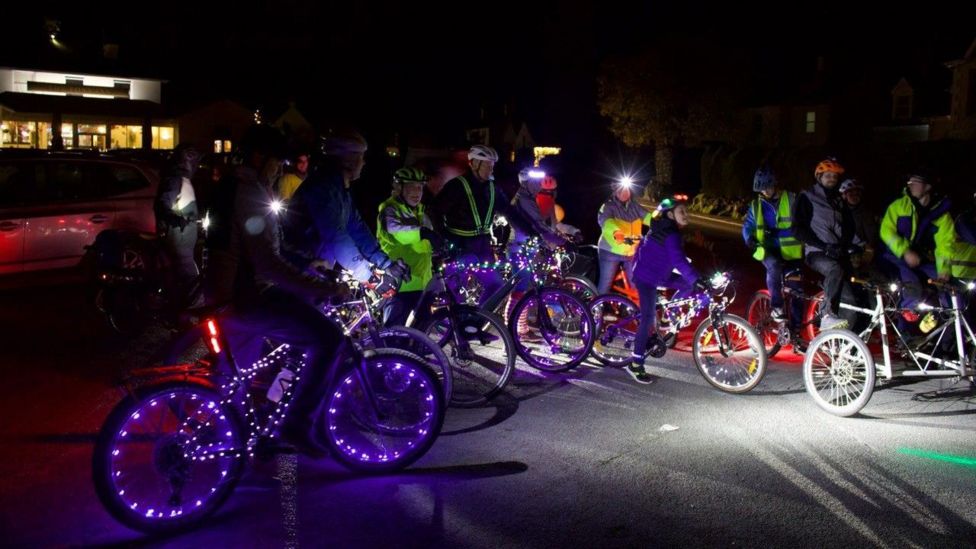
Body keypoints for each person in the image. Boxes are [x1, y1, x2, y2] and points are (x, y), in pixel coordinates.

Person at [205, 124, 346, 452]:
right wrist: (322, 288)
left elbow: (259, 249)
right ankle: (297, 425)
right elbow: (267, 264)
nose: (279, 170)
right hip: (248, 298)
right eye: (277, 163)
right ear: (259, 157)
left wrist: (305, 263)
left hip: (224, 292)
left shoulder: (230, 186)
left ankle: (235, 441)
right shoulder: (249, 193)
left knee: (235, 383)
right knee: (329, 338)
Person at [285, 129, 408, 291]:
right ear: (349, 160)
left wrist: (386, 263)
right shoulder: (323, 188)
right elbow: (336, 235)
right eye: (361, 157)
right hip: (299, 270)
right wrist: (369, 277)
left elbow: (357, 229)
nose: (364, 163)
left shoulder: (340, 190)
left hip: (317, 270)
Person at [627, 197, 703, 384]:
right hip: (646, 278)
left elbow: (675, 258)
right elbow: (678, 260)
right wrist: (696, 278)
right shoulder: (670, 233)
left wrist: (695, 278)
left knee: (688, 285)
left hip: (660, 274)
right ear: (670, 215)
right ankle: (636, 363)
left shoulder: (667, 229)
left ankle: (669, 313)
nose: (686, 214)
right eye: (681, 211)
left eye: (686, 211)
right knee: (647, 319)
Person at [793, 157, 862, 330]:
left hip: (838, 253)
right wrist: (823, 246)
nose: (832, 179)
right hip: (816, 253)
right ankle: (826, 314)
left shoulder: (838, 201)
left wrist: (850, 245)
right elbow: (797, 229)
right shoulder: (807, 197)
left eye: (835, 176)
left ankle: (842, 343)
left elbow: (848, 228)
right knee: (834, 269)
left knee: (852, 303)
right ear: (819, 177)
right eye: (828, 175)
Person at [879, 169, 956, 310]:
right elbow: (886, 231)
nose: (910, 184)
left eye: (915, 182)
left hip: (921, 259)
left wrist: (944, 270)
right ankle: (905, 320)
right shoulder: (898, 206)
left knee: (949, 287)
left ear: (928, 186)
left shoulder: (942, 215)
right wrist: (905, 251)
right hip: (893, 257)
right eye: (909, 181)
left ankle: (950, 317)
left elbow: (945, 244)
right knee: (912, 287)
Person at [376, 167, 439, 325]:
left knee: (424, 329)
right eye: (412, 187)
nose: (417, 192)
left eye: (420, 187)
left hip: (422, 281)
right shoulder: (389, 209)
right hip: (400, 281)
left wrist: (439, 247)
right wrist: (422, 233)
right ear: (399, 188)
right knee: (394, 330)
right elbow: (395, 231)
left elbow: (427, 241)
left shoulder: (419, 211)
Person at [155, 144, 202, 301]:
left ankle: (184, 305)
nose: (194, 164)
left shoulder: (181, 180)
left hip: (183, 241)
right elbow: (162, 204)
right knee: (188, 277)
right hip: (180, 241)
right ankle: (192, 307)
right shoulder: (175, 180)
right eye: (191, 159)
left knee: (183, 277)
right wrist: (175, 219)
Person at [596, 177, 653, 295]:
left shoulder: (634, 206)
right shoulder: (608, 206)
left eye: (627, 190)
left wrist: (662, 224)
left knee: (636, 285)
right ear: (615, 191)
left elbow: (648, 217)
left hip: (631, 252)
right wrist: (617, 233)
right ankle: (596, 305)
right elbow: (606, 222)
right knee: (605, 285)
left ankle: (635, 305)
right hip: (610, 251)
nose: (624, 193)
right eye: (621, 190)